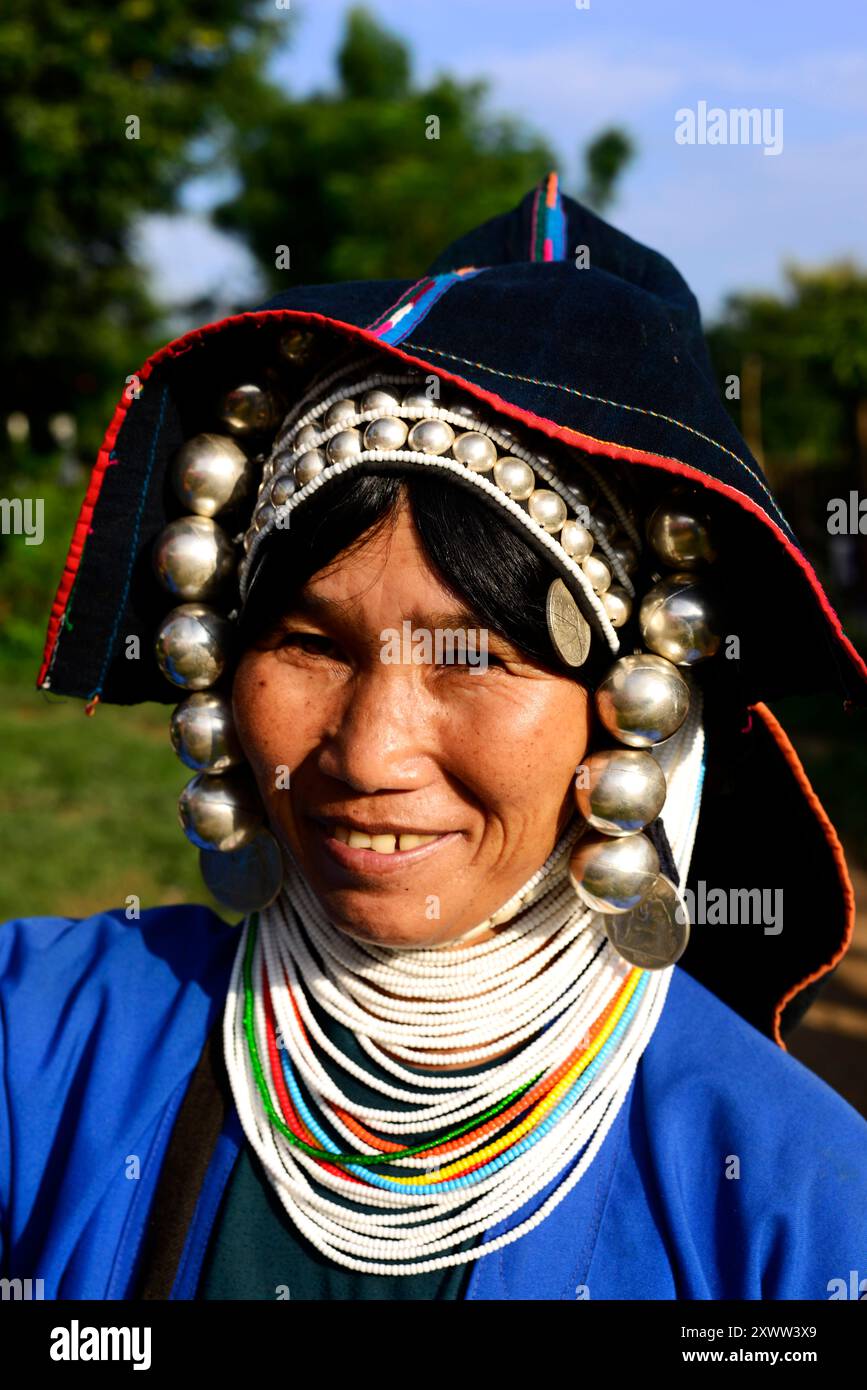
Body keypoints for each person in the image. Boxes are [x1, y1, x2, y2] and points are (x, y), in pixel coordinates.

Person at [2, 173, 866, 1301]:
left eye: (474, 658)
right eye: (310, 642)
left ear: (637, 707)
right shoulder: (45, 1046)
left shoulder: (791, 1207)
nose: (369, 753)